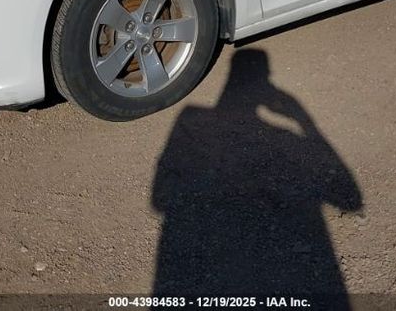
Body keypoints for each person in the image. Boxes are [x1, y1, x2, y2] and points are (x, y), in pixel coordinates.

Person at [151, 49, 361, 304]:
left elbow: (159, 199)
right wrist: (305, 122)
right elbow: (350, 200)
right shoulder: (281, 134)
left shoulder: (191, 118)